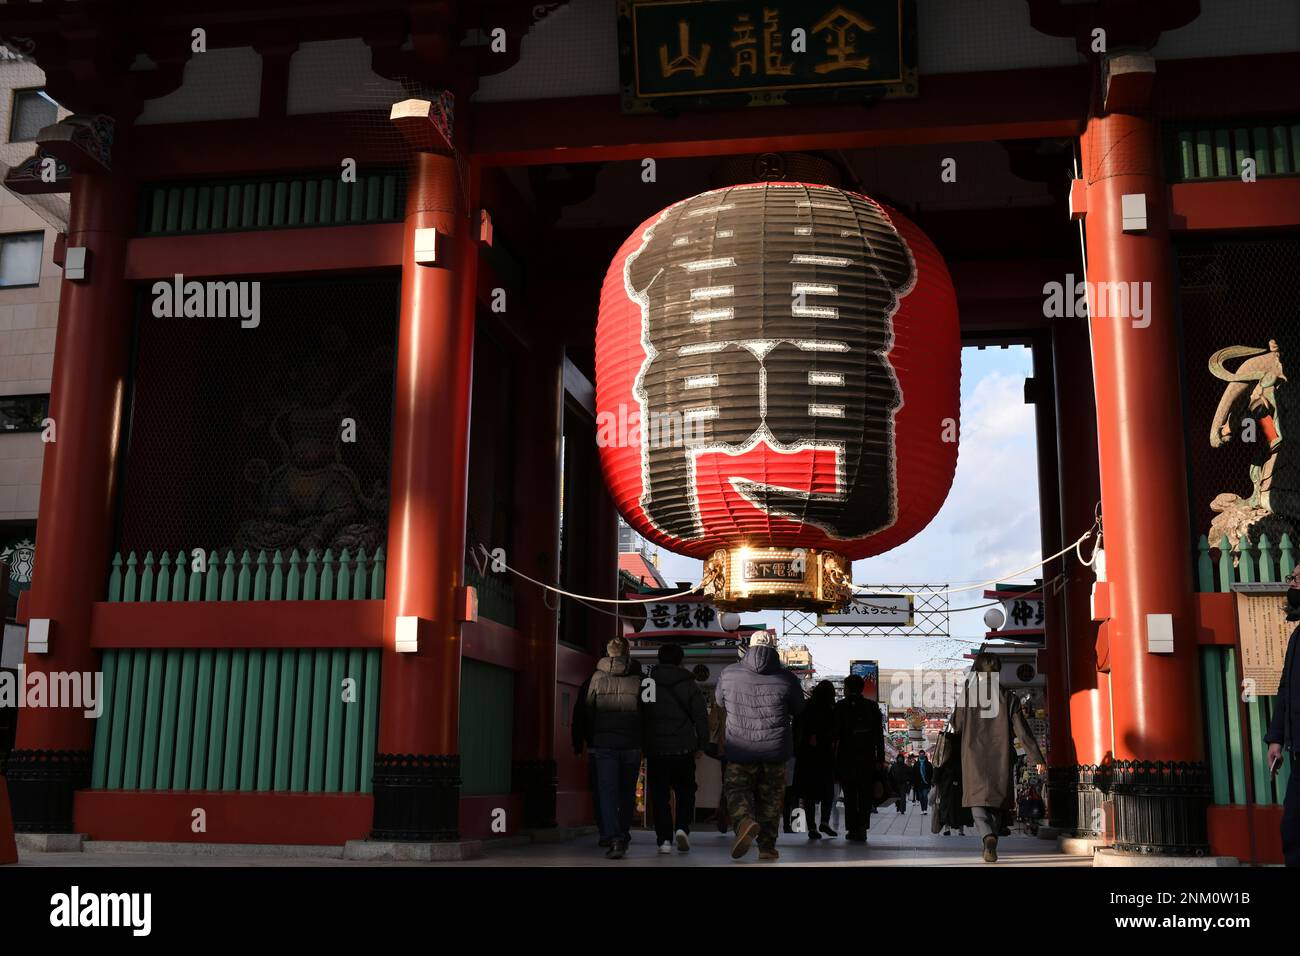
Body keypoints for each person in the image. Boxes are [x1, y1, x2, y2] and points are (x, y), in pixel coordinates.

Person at [714, 633, 805, 861]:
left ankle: (744, 821)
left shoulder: (728, 674)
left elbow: (718, 703)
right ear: (773, 647)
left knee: (735, 790)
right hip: (775, 750)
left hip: (739, 748)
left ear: (749, 646)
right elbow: (799, 709)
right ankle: (767, 847)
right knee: (772, 798)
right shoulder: (788, 678)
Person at [951, 652, 1046, 863]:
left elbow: (956, 726)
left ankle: (987, 835)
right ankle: (990, 838)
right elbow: (1023, 731)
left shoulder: (968, 695)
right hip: (1000, 755)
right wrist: (1037, 758)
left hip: (973, 755)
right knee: (996, 800)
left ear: (977, 670)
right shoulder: (1008, 697)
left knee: (977, 799)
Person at [585, 636, 646, 859]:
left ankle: (614, 838)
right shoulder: (640, 678)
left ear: (608, 652)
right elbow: (648, 710)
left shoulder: (597, 677)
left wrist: (593, 736)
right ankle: (624, 832)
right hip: (631, 744)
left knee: (607, 792)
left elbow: (588, 709)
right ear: (627, 651)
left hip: (604, 744)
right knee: (627, 792)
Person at [645, 642, 708, 854]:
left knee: (660, 795)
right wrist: (702, 745)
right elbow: (701, 717)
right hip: (684, 748)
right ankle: (682, 827)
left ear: (659, 659)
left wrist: (643, 744)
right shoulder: (689, 683)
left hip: (656, 749)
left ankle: (664, 839)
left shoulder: (649, 683)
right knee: (686, 791)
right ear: (680, 660)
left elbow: (643, 715)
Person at [1264, 570, 1300, 866]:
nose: (1292, 582)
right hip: (1298, 751)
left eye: (1299, 578)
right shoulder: (1298, 636)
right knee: (1292, 828)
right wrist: (1276, 738)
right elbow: (1285, 687)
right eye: (1292, 576)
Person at [832, 673, 884, 842]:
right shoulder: (871, 706)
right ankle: (862, 828)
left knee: (849, 795)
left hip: (846, 758)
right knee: (864, 795)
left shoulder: (840, 706)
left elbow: (835, 735)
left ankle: (852, 828)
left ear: (847, 689)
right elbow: (878, 736)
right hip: (867, 758)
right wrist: (879, 759)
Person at [795, 680, 838, 839]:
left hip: (806, 755)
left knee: (809, 794)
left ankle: (812, 826)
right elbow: (835, 732)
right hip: (825, 755)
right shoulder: (830, 709)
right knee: (827, 791)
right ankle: (824, 822)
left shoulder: (805, 706)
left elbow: (797, 728)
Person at [571, 674, 604, 845]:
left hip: (595, 744)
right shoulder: (632, 679)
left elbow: (579, 715)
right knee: (623, 790)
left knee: (600, 790)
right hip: (625, 744)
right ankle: (620, 830)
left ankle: (605, 831)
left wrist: (578, 744)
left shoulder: (589, 683)